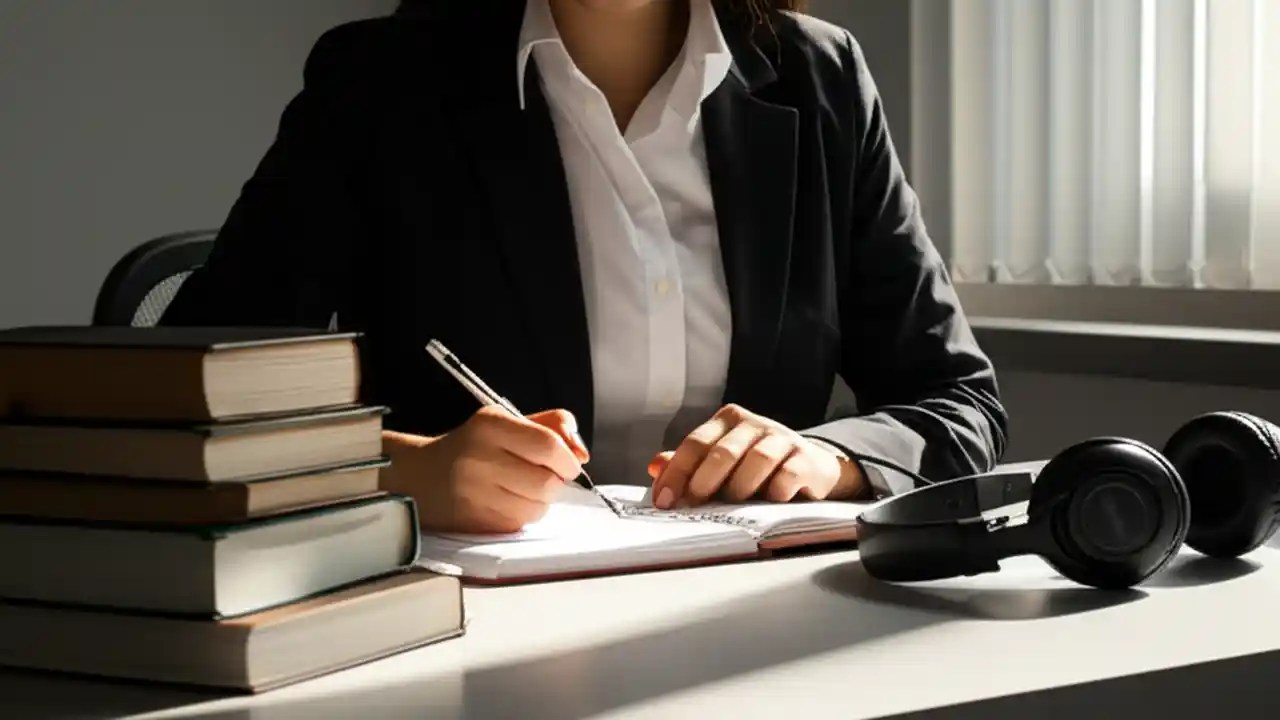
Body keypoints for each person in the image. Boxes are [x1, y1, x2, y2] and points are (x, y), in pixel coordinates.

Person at [162, 0, 1008, 534]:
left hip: (751, 613)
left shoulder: (822, 81)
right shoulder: (379, 86)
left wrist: (827, 458)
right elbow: (176, 408)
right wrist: (400, 468)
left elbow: (959, 404)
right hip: (463, 626)